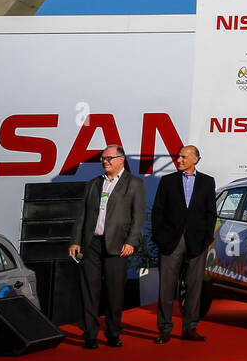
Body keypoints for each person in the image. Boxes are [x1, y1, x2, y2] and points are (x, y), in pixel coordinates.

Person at [69, 145, 146, 349]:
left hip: (118, 244)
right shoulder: (94, 183)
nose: (105, 161)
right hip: (91, 243)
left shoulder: (135, 184)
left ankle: (113, 333)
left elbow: (138, 217)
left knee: (114, 291)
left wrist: (131, 242)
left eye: (109, 158)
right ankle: (90, 335)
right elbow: (82, 214)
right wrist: (76, 240)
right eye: (103, 158)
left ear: (121, 160)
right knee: (89, 291)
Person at [150, 145, 217, 343]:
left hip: (197, 242)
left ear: (195, 159)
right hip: (171, 241)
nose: (178, 160)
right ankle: (164, 329)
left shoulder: (207, 182)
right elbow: (158, 211)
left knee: (194, 287)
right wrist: (160, 237)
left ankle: (190, 328)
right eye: (178, 156)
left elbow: (210, 213)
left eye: (183, 157)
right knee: (166, 287)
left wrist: (206, 238)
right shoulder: (167, 181)